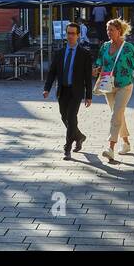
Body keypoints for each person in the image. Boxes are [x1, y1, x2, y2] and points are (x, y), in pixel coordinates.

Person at [93, 19, 134, 161]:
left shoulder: (128, 47)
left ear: (119, 31)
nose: (109, 32)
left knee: (116, 114)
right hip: (108, 85)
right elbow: (99, 62)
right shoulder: (104, 46)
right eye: (107, 29)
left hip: (125, 85)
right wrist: (95, 69)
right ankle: (126, 143)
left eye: (111, 30)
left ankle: (110, 148)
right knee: (118, 114)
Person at [43, 20, 94, 161]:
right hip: (62, 90)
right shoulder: (59, 53)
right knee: (64, 117)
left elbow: (87, 77)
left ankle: (67, 148)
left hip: (76, 91)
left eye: (73, 34)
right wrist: (46, 88)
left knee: (71, 118)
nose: (70, 36)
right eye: (68, 33)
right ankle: (79, 136)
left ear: (78, 35)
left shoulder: (84, 54)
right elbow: (52, 72)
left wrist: (88, 96)